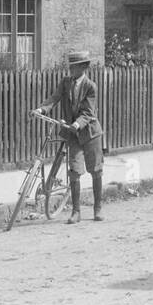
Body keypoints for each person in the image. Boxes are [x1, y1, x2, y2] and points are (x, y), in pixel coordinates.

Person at [33, 50, 104, 223]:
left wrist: (78, 123)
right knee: (74, 172)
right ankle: (76, 211)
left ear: (83, 67)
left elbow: (88, 112)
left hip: (90, 134)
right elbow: (54, 98)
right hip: (73, 135)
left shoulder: (90, 86)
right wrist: (42, 109)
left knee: (95, 171)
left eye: (74, 66)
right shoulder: (65, 83)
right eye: (70, 66)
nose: (71, 69)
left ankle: (97, 209)